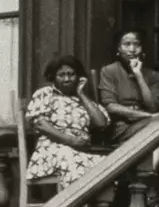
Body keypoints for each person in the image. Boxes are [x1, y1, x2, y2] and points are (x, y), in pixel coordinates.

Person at [25, 53, 110, 184]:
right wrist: (71, 140)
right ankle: (77, 204)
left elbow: (101, 123)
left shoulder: (84, 100)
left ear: (78, 77)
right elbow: (40, 124)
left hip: (82, 151)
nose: (67, 79)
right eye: (61, 75)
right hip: (52, 151)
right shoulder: (45, 93)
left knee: (108, 165)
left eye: (71, 74)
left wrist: (81, 94)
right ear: (53, 77)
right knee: (73, 161)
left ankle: (93, 204)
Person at [96, 32, 159, 143]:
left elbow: (152, 106)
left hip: (148, 122)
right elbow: (110, 106)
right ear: (119, 48)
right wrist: (148, 116)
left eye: (137, 45)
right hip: (121, 126)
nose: (132, 49)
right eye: (127, 44)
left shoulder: (153, 75)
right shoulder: (109, 71)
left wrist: (139, 75)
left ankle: (153, 161)